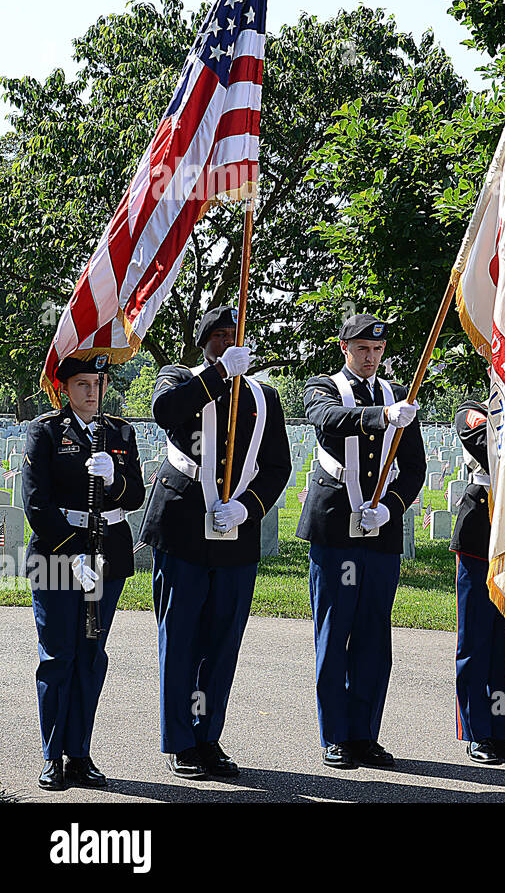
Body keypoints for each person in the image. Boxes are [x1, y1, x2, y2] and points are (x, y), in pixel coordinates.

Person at [140, 306, 291, 780]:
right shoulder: (178, 377)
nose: (229, 342)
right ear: (205, 342)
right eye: (220, 336)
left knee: (221, 643)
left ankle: (208, 736)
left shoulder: (263, 397)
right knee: (181, 638)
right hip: (183, 528)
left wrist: (248, 507)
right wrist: (219, 375)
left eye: (236, 335)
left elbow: (278, 465)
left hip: (234, 536)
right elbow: (165, 411)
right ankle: (181, 740)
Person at [299, 313, 427, 770]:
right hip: (336, 525)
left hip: (380, 529)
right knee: (336, 632)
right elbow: (327, 419)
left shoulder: (398, 396)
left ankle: (364, 733)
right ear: (344, 348)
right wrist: (381, 416)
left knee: (374, 634)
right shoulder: (325, 386)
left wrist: (392, 506)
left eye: (377, 350)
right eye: (361, 350)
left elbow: (414, 466)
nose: (370, 358)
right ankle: (335, 734)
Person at [23, 355, 145, 791]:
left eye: (97, 382)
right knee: (58, 655)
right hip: (59, 557)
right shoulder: (46, 432)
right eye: (81, 384)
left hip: (107, 553)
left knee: (91, 655)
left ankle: (80, 752)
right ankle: (52, 755)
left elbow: (135, 497)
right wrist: (71, 553)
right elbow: (36, 502)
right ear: (64, 388)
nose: (91, 392)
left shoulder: (119, 432)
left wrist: (115, 480)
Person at [450, 399, 505, 765]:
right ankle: (476, 731)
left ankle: (502, 728)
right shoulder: (471, 409)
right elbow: (482, 437)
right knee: (476, 642)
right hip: (479, 536)